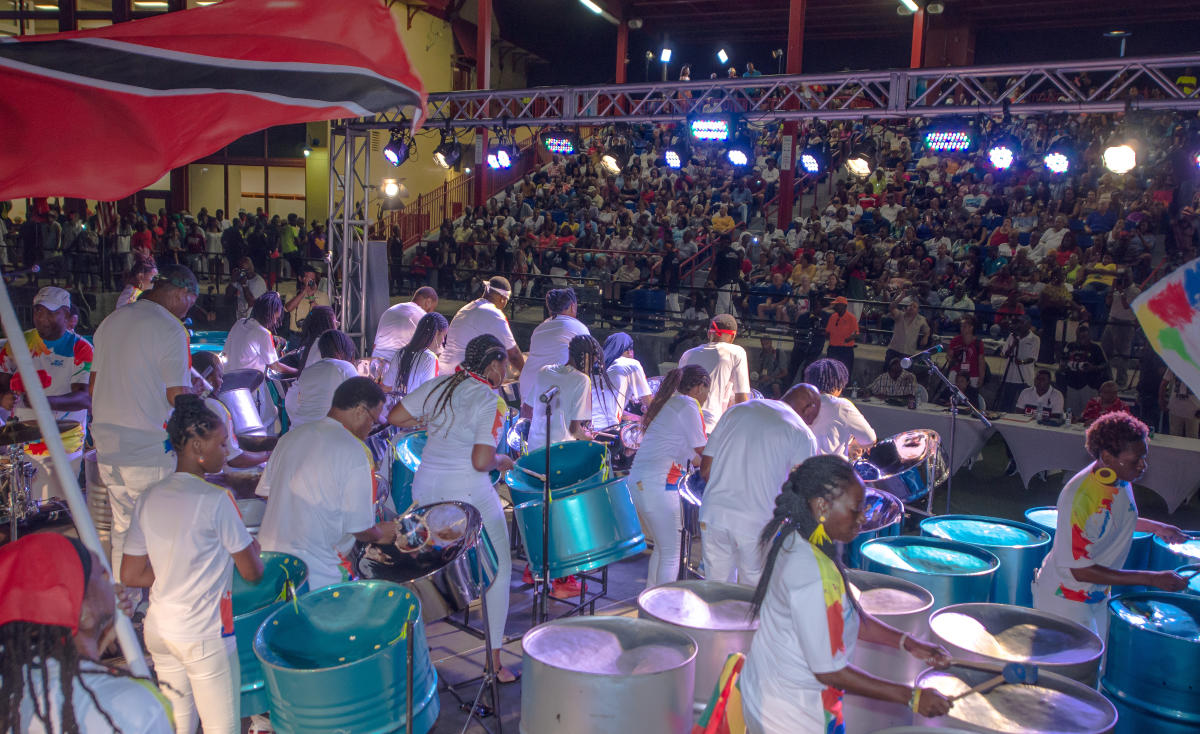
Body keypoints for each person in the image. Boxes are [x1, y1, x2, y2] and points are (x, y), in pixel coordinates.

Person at [740, 456, 953, 734]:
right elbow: (829, 671)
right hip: (788, 715)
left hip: (782, 694)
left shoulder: (801, 537)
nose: (863, 518)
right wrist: (911, 697)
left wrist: (907, 642)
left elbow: (844, 616)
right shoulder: (810, 572)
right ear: (821, 507)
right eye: (856, 510)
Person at [121, 395, 265, 734]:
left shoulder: (149, 497)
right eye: (221, 442)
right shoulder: (216, 500)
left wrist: (178, 565)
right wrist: (249, 549)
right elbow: (252, 572)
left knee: (180, 725)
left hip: (160, 630)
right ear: (197, 445)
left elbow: (130, 573)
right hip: (205, 633)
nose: (227, 450)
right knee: (222, 727)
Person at [387, 334, 518, 681]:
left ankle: (411, 656)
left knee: (423, 569)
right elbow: (481, 460)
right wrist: (504, 460)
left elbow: (395, 415)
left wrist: (431, 424)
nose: (506, 371)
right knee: (499, 569)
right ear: (492, 365)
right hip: (467, 491)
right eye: (504, 365)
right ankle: (495, 663)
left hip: (426, 486)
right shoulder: (486, 396)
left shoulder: (441, 384)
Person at [1032, 412, 1189, 636]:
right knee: (1070, 670)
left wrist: (1157, 527)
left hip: (1095, 594)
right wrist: (1152, 578)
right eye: (1136, 460)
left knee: (1098, 665)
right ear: (1106, 457)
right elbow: (1080, 571)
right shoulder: (1082, 497)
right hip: (1065, 599)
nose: (1143, 466)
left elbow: (1114, 518)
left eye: (1144, 457)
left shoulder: (1118, 477)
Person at [1, 533, 174, 734]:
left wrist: (94, 640)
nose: (112, 582)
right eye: (102, 574)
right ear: (83, 614)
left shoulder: (13, 688)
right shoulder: (129, 708)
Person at [91, 264, 197, 573]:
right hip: (146, 448)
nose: (189, 308)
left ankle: (125, 605)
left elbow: (94, 387)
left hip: (108, 446)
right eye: (191, 300)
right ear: (181, 294)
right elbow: (177, 395)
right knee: (162, 530)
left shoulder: (111, 321)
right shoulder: (170, 328)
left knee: (124, 527)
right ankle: (160, 604)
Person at [256, 378, 398, 590]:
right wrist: (392, 533)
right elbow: (361, 529)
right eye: (373, 420)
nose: (371, 428)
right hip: (316, 574)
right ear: (360, 410)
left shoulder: (291, 437)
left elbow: (268, 493)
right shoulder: (356, 451)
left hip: (269, 562)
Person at [699, 384, 821, 585]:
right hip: (757, 522)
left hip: (714, 514)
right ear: (809, 408)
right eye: (814, 417)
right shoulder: (801, 433)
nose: (812, 422)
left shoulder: (736, 411)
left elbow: (706, 470)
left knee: (716, 592)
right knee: (751, 597)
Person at [0, 286, 92, 501]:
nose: (41, 318)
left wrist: (44, 402)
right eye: (38, 311)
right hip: (22, 440)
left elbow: (84, 397)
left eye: (51, 313)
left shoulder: (81, 348)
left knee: (57, 506)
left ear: (66, 315)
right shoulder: (18, 343)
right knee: (26, 508)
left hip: (65, 442)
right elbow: (1, 380)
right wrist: (3, 397)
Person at [626, 365, 710, 591]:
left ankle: (650, 601)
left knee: (664, 549)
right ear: (700, 387)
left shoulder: (671, 404)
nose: (706, 397)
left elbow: (695, 459)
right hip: (658, 484)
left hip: (641, 482)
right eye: (706, 391)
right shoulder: (688, 405)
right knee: (673, 552)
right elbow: (704, 450)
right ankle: (663, 609)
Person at [222, 292, 298, 426]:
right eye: (276, 317)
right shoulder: (262, 334)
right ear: (270, 313)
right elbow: (275, 366)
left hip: (228, 386)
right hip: (250, 390)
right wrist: (299, 371)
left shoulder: (240, 323)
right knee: (267, 422)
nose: (276, 321)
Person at [190, 351, 270, 470]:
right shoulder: (213, 407)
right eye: (219, 376)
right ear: (207, 378)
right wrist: (267, 456)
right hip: (208, 480)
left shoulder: (180, 404)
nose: (222, 382)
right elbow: (234, 458)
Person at [527, 335, 607, 452]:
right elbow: (574, 430)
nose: (590, 369)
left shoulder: (544, 371)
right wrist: (588, 438)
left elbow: (527, 409)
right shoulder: (581, 380)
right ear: (586, 358)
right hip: (558, 451)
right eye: (592, 363)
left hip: (533, 448)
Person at [519, 288, 591, 414]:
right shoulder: (579, 328)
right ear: (573, 306)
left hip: (528, 388)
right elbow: (585, 366)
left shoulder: (539, 328)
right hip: (553, 392)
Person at [678, 314, 750, 432]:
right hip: (710, 427)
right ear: (733, 336)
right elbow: (741, 399)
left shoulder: (687, 354)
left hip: (681, 424)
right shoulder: (737, 352)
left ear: (708, 334)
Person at [439, 276, 524, 376]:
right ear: (503, 299)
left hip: (443, 371)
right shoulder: (494, 314)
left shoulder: (466, 308)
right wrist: (527, 375)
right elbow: (514, 355)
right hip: (462, 376)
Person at [284, 330, 359, 428]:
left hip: (297, 431)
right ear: (342, 349)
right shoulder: (345, 367)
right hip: (325, 435)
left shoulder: (306, 372)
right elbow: (362, 403)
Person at [805, 358, 876, 459]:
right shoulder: (842, 405)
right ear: (839, 384)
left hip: (800, 469)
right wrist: (854, 443)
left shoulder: (799, 401)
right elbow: (870, 439)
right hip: (830, 470)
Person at [590, 332, 652, 429]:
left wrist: (638, 418)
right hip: (608, 428)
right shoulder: (631, 364)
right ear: (629, 351)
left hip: (587, 427)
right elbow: (648, 403)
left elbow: (607, 409)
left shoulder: (595, 368)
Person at [385, 312, 449, 396]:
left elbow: (387, 386)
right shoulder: (430, 358)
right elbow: (428, 394)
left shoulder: (400, 353)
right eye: (444, 335)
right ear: (436, 333)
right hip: (415, 408)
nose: (443, 340)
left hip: (398, 406)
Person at [372, 286, 439, 364]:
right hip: (398, 367)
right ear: (428, 302)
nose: (431, 312)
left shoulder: (390, 310)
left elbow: (375, 345)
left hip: (376, 363)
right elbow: (435, 351)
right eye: (432, 309)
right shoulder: (423, 316)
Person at [1059, 323, 1107, 417]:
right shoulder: (1070, 346)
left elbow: (1105, 364)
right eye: (1080, 335)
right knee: (1071, 414)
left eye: (1085, 335)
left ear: (1089, 335)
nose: (1082, 338)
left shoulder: (1095, 348)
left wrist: (1093, 368)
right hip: (1072, 384)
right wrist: (1064, 365)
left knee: (1089, 413)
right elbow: (1062, 360)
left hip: (1089, 385)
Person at [997, 316, 1040, 412]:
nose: (1019, 325)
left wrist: (1022, 362)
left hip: (1025, 377)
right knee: (1006, 404)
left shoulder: (1035, 339)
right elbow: (1004, 354)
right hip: (1010, 376)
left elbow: (1033, 358)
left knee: (1025, 405)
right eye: (1018, 323)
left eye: (1022, 323)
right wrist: (1013, 345)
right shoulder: (1012, 336)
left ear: (1028, 324)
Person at [946, 314, 986, 408]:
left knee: (972, 397)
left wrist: (981, 377)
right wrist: (951, 359)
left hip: (973, 374)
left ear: (971, 328)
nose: (962, 329)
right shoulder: (955, 340)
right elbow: (949, 355)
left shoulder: (978, 343)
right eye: (961, 326)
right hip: (957, 373)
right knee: (953, 392)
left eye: (965, 326)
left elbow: (981, 361)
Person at [282, 267, 330, 336]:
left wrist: (311, 296)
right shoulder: (292, 294)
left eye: (313, 279)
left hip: (313, 336)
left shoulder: (323, 296)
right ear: (300, 278)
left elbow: (321, 315)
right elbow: (288, 308)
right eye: (309, 279)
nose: (311, 282)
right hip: (295, 336)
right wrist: (304, 292)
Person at [883, 296, 929, 369]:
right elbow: (891, 307)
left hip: (909, 352)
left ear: (917, 310)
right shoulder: (900, 314)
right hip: (894, 349)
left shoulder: (921, 319)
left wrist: (925, 337)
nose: (911, 307)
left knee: (906, 375)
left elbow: (927, 330)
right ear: (906, 307)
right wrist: (900, 297)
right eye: (910, 306)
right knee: (887, 371)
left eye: (914, 307)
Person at [292, 305, 337, 371]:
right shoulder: (325, 346)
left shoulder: (311, 343)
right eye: (336, 323)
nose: (336, 327)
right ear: (328, 324)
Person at [824, 296, 859, 379]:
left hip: (845, 350)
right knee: (830, 374)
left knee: (845, 374)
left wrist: (846, 340)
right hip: (833, 349)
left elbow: (856, 334)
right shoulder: (833, 317)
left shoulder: (851, 318)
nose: (835, 307)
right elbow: (827, 332)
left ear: (843, 306)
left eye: (837, 305)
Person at [1161, 369, 1200, 438]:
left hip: (1188, 408)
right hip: (1188, 408)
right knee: (1191, 439)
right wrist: (1161, 400)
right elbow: (1163, 384)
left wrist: (1162, 400)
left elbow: (1163, 384)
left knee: (1176, 438)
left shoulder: (1175, 364)